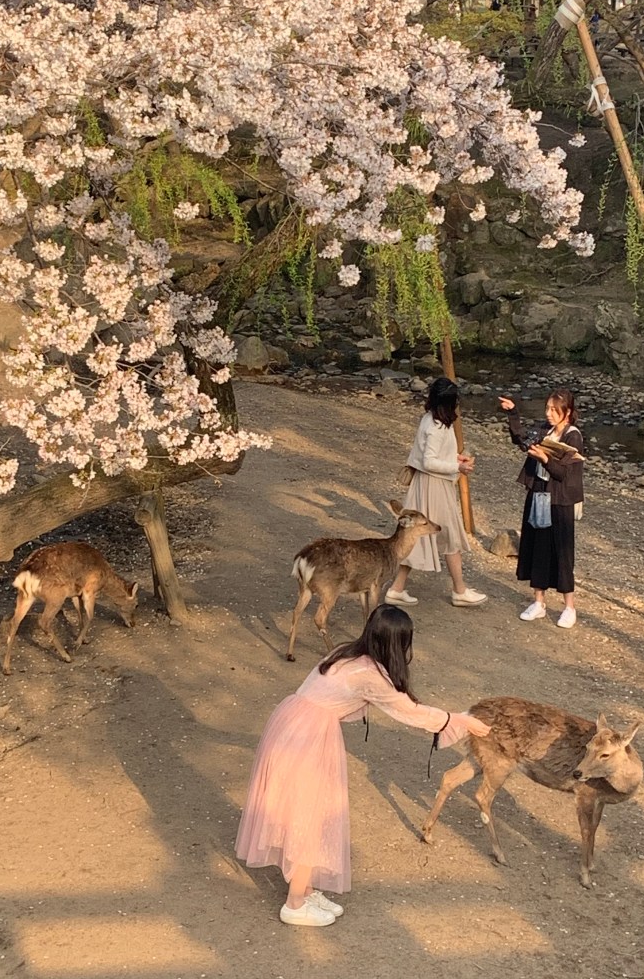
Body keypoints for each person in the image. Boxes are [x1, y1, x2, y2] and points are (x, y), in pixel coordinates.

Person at [235, 604, 490, 926]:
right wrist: (460, 721)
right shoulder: (371, 676)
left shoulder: (345, 652)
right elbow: (411, 711)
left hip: (292, 722)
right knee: (311, 814)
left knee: (303, 809)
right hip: (309, 736)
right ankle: (295, 903)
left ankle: (305, 886)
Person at [386, 376, 487, 608]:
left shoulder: (429, 420)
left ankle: (397, 588)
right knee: (449, 534)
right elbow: (430, 461)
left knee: (416, 535)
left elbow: (430, 456)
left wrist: (454, 458)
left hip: (427, 483)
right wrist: (458, 467)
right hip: (435, 486)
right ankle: (459, 590)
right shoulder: (437, 427)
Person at [498, 389, 584, 628]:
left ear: (566, 412)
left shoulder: (573, 436)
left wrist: (545, 458)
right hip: (538, 494)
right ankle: (538, 601)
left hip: (560, 500)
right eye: (547, 409)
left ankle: (569, 606)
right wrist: (513, 413)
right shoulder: (544, 430)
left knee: (562, 552)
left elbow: (563, 473)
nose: (549, 414)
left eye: (554, 410)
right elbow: (522, 439)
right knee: (537, 545)